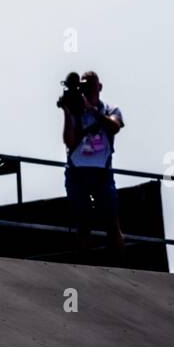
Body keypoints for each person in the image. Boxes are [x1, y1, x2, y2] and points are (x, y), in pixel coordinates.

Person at [60, 70, 125, 253]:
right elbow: (69, 141)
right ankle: (85, 267)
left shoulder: (110, 109)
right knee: (82, 223)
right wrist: (67, 112)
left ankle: (120, 262)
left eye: (91, 85)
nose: (87, 89)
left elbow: (114, 126)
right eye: (84, 85)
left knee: (112, 221)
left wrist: (92, 110)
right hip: (77, 172)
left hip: (102, 172)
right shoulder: (75, 111)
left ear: (100, 87)